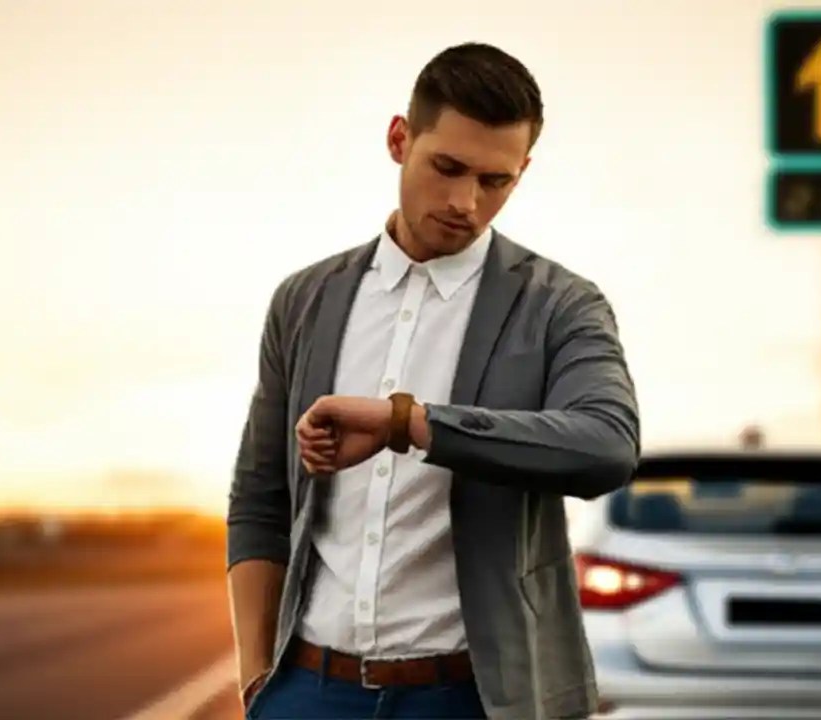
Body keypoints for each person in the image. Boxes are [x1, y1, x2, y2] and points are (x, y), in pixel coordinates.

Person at [226, 41, 640, 720]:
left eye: (495, 181)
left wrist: (408, 424)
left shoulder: (561, 304)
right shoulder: (305, 300)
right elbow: (260, 497)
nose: (464, 202)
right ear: (399, 139)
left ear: (523, 171)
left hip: (470, 697)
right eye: (446, 167)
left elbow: (607, 445)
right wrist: (256, 681)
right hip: (306, 691)